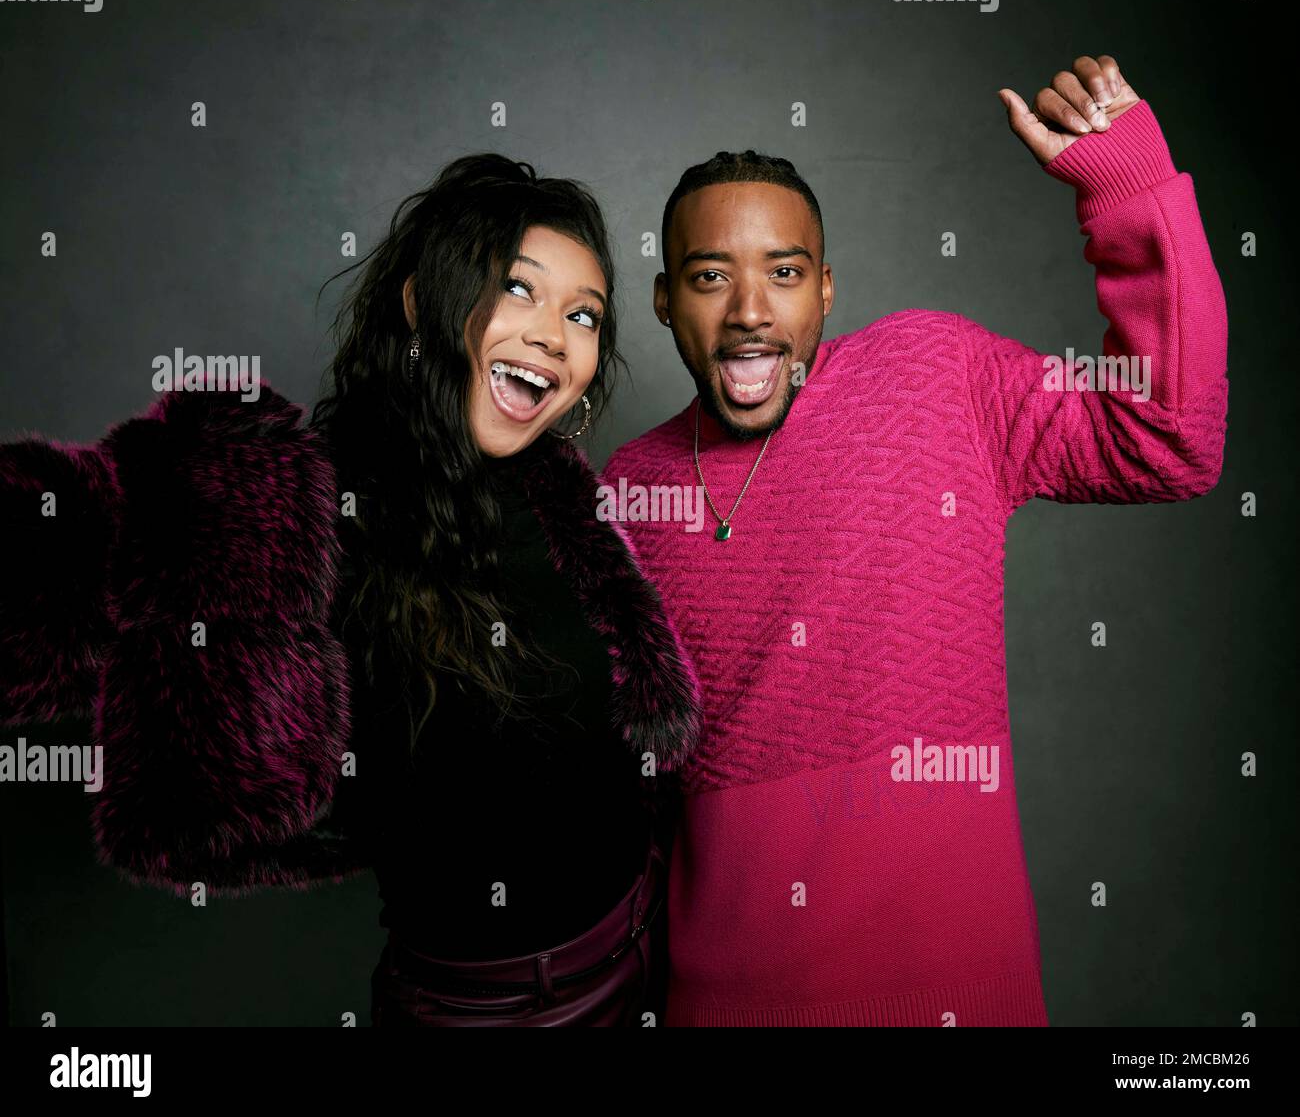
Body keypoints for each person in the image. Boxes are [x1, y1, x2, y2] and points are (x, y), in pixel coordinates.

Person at [0, 153, 700, 1027]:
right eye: (519, 290)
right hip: (472, 1010)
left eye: (584, 314)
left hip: (642, 958)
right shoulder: (294, 504)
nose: (556, 335)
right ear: (419, 302)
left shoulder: (564, 499)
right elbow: (73, 544)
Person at [602, 55, 1228, 1025]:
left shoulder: (936, 378)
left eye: (783, 272)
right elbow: (613, 804)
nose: (751, 311)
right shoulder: (623, 493)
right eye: (709, 276)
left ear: (825, 292)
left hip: (960, 996)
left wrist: (1131, 189)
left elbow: (1169, 439)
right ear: (661, 301)